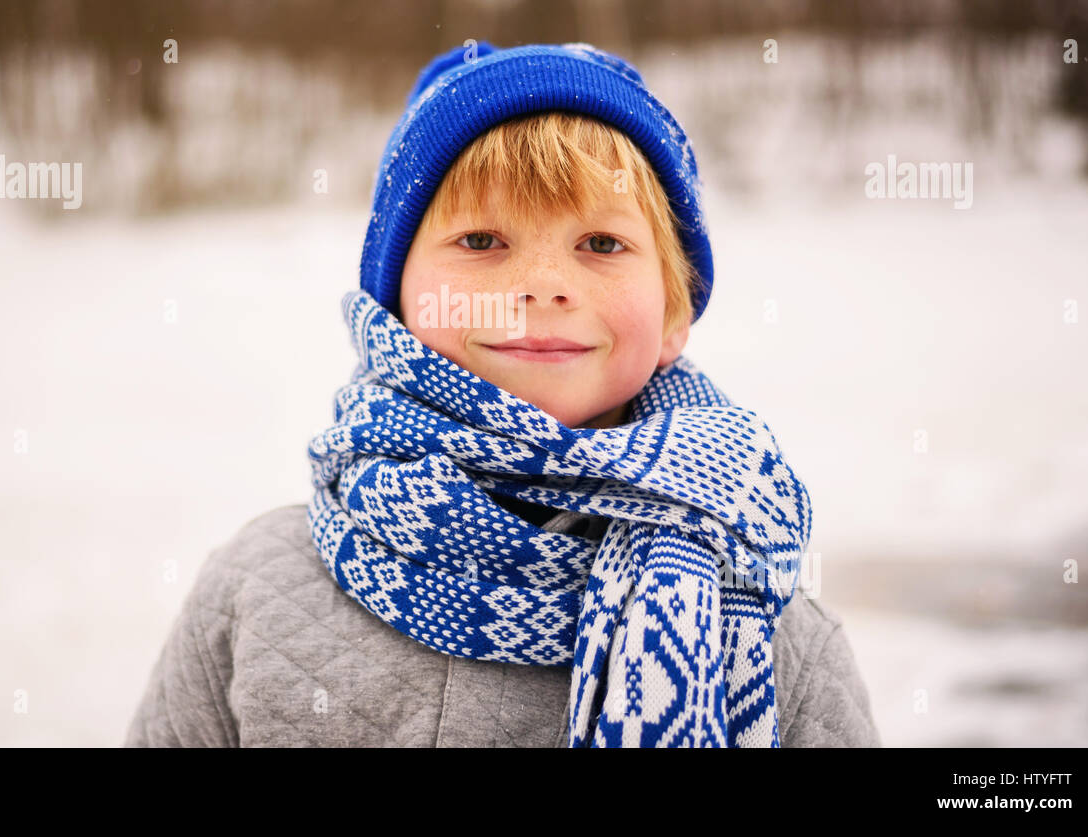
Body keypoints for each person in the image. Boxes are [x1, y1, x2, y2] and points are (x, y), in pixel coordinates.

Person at [125, 41, 882, 747]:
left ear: (674, 307)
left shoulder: (767, 630)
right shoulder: (256, 594)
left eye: (601, 244)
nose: (545, 285)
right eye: (483, 242)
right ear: (397, 300)